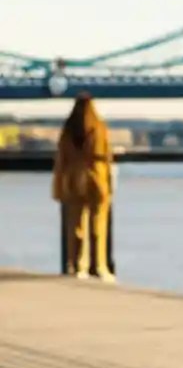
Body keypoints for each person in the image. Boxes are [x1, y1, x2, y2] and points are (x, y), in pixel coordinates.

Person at [52, 92, 115, 282]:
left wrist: (59, 183)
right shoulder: (99, 127)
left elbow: (61, 157)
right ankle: (99, 266)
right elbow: (107, 154)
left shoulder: (68, 130)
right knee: (99, 224)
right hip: (97, 177)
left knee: (75, 224)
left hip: (73, 178)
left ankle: (77, 265)